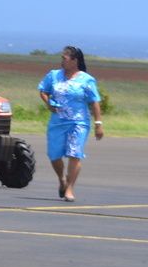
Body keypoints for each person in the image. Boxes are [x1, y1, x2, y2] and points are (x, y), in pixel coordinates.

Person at [38, 45, 104, 201]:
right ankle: (62, 179)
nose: (62, 61)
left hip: (79, 122)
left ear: (75, 61)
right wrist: (48, 103)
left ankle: (70, 188)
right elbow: (43, 90)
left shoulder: (86, 80)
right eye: (62, 58)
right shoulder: (53, 75)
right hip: (58, 121)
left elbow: (94, 101)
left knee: (75, 153)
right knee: (54, 155)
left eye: (65, 58)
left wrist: (98, 123)